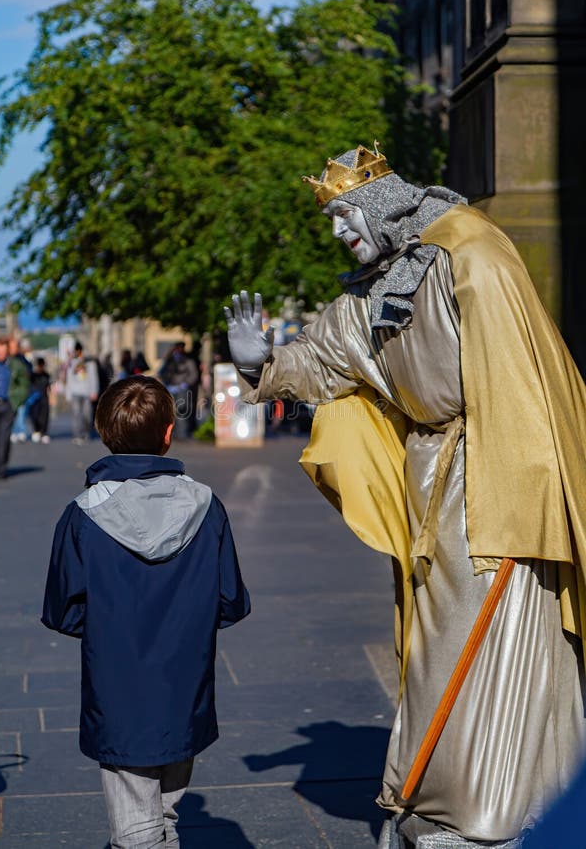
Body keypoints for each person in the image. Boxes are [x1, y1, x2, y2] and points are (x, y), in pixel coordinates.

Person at [224, 144, 586, 848]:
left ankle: (487, 805)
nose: (336, 231)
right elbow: (328, 357)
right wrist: (261, 362)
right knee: (433, 650)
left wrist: (525, 494)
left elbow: (520, 382)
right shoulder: (382, 281)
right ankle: (439, 793)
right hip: (436, 481)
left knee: (484, 643)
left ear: (380, 202)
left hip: (496, 474)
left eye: (342, 215)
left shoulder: (470, 251)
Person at [41, 376, 250, 847]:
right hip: (185, 686)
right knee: (164, 819)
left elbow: (62, 611)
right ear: (168, 432)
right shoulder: (207, 506)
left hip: (119, 692)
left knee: (137, 831)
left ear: (103, 432)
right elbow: (231, 601)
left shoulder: (82, 514)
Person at [0, 337, 30, 479]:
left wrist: (15, 402)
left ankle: (1, 468)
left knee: (3, 437)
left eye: (2, 351)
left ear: (7, 351)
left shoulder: (16, 365)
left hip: (7, 406)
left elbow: (24, 385)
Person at [159, 342, 200, 439]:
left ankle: (182, 434)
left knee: (182, 411)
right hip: (171, 388)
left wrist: (185, 384)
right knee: (171, 412)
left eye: (179, 348)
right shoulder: (169, 360)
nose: (177, 351)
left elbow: (193, 375)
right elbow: (162, 372)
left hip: (182, 389)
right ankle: (173, 434)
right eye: (176, 349)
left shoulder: (188, 361)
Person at [65, 341, 99, 443]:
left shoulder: (89, 363)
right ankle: (78, 434)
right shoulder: (72, 363)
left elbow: (93, 377)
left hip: (87, 392)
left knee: (87, 414)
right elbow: (69, 378)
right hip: (75, 391)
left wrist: (94, 391)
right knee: (76, 414)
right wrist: (68, 393)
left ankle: (86, 432)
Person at [9, 336, 33, 443]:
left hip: (20, 391)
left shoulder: (21, 360)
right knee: (13, 413)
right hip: (11, 392)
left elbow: (28, 373)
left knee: (21, 412)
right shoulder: (9, 360)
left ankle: (21, 431)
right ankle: (15, 431)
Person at [29, 357, 51, 444]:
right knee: (34, 415)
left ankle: (44, 432)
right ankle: (36, 431)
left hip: (44, 397)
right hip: (34, 398)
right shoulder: (33, 375)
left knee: (45, 415)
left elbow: (49, 387)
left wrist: (51, 397)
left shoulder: (46, 375)